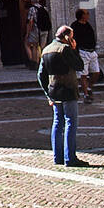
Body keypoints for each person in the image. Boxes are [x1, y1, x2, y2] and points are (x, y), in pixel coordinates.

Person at [38, 25, 87, 168]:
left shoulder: (46, 49)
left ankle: (57, 157)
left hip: (54, 91)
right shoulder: (65, 49)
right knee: (71, 122)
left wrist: (47, 94)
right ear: (67, 37)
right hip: (68, 89)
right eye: (71, 37)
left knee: (57, 123)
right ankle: (69, 158)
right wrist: (74, 49)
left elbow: (41, 75)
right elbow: (79, 65)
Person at [72, 8, 100, 103]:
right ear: (82, 15)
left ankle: (88, 87)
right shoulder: (75, 26)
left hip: (92, 51)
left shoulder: (88, 25)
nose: (88, 15)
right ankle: (86, 95)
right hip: (82, 51)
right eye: (86, 13)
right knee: (83, 74)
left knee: (96, 73)